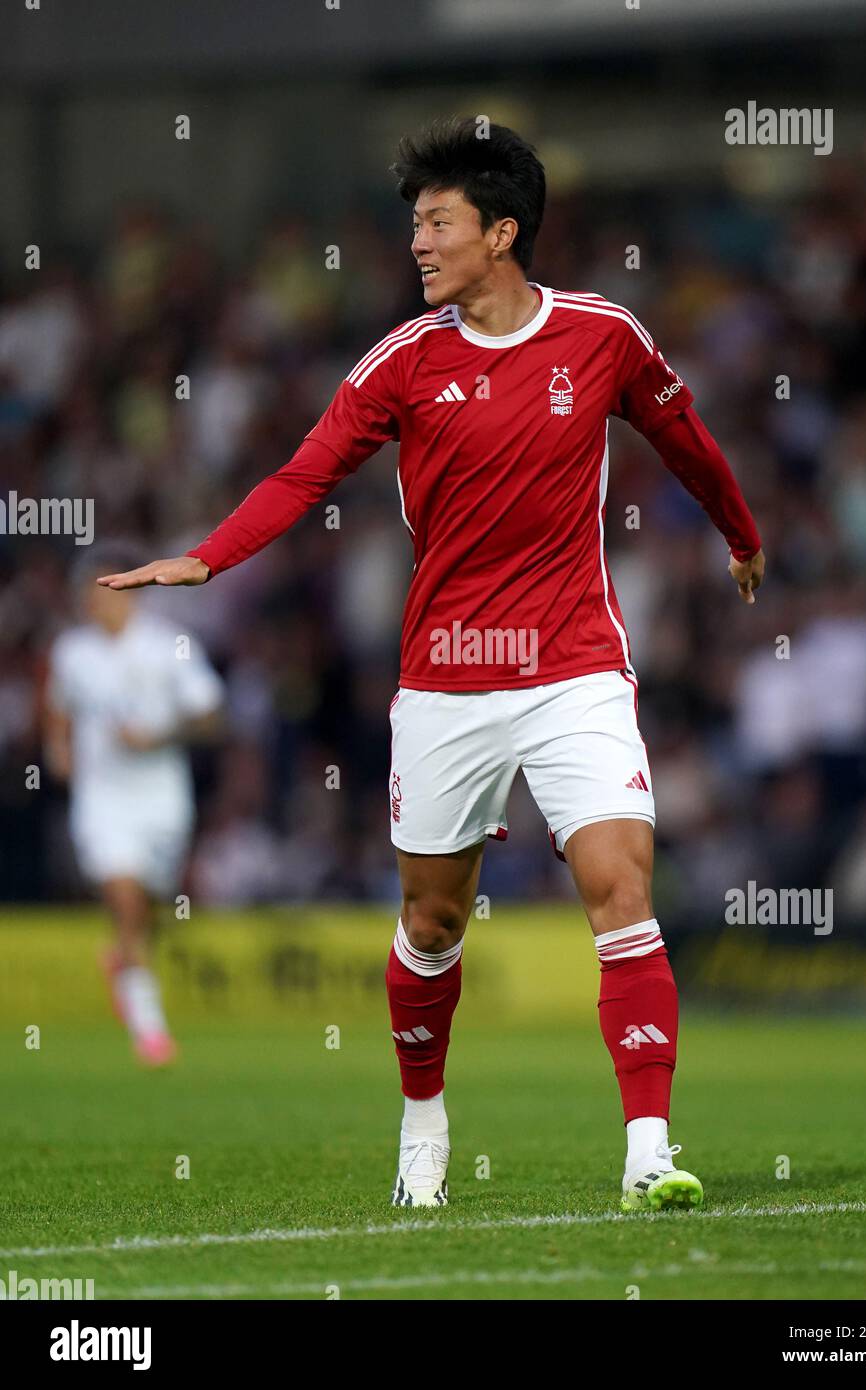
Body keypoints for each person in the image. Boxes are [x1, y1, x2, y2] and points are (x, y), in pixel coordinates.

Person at [98, 117, 764, 1206]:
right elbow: (302, 475)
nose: (418, 241)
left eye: (437, 221)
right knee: (432, 921)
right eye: (414, 222)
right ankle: (422, 1122)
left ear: (501, 233)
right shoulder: (402, 363)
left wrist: (740, 533)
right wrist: (207, 559)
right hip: (448, 676)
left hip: (574, 664)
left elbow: (683, 438)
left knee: (618, 884)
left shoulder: (602, 337)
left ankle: (649, 1147)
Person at [46, 546, 224, 1065]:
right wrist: (57, 750)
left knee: (150, 906)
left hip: (162, 798)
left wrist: (159, 735)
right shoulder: (72, 651)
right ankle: (150, 1029)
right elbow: (58, 707)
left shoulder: (170, 645)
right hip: (102, 797)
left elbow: (211, 714)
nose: (97, 603)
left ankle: (121, 957)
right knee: (123, 895)